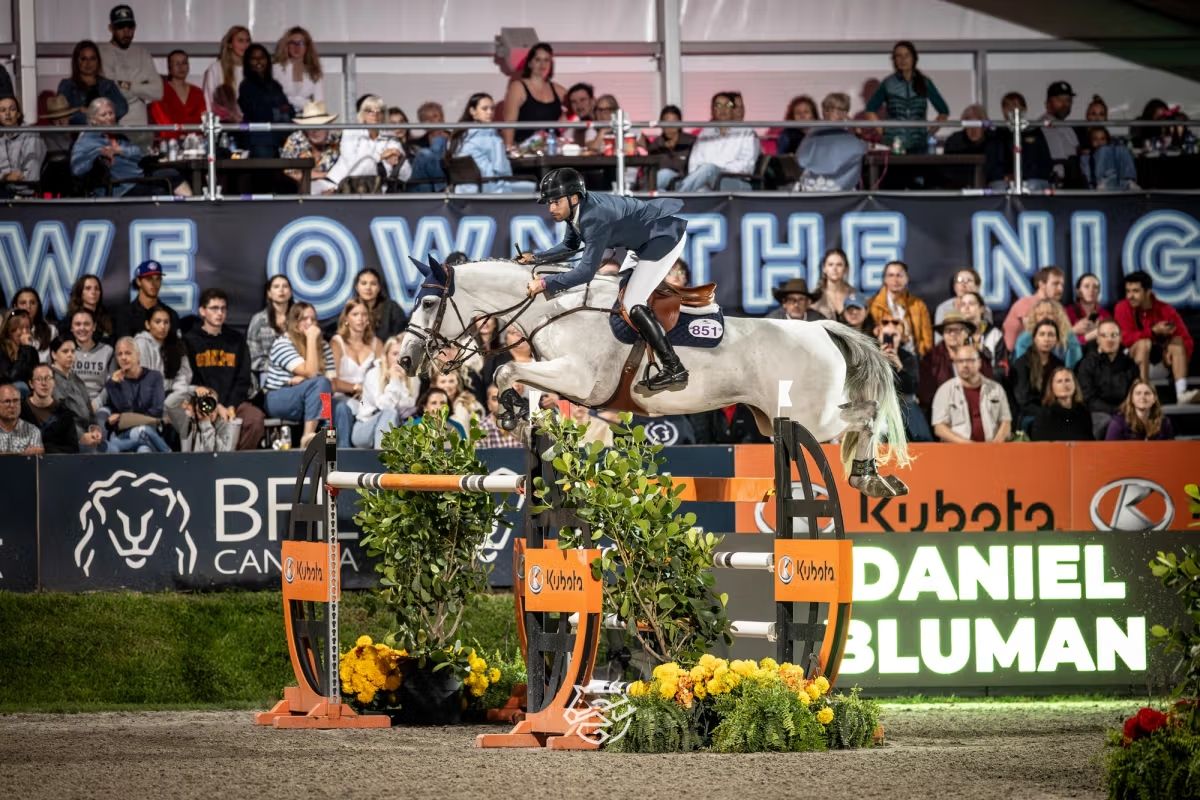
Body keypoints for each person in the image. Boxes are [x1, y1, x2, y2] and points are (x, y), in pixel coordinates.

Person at [520, 167, 690, 390]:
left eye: (555, 202)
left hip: (664, 238)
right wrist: (536, 256)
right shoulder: (576, 209)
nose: (551, 208)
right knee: (617, 292)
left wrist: (544, 283)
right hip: (643, 242)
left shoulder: (594, 217)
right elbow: (570, 246)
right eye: (549, 203)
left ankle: (674, 367)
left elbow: (585, 272)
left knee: (632, 302)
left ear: (573, 198)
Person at [183, 288, 265, 451]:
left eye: (223, 308)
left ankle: (237, 464)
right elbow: (191, 379)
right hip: (203, 402)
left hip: (233, 403)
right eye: (214, 308)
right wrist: (215, 404)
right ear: (202, 311)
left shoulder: (236, 340)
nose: (219, 313)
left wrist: (231, 405)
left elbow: (243, 379)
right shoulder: (190, 340)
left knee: (255, 419)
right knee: (191, 417)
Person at [71, 98, 191, 197]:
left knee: (173, 174)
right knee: (158, 192)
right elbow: (76, 169)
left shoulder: (117, 135)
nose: (109, 118)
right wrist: (97, 154)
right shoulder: (87, 139)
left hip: (138, 177)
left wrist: (121, 151)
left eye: (111, 113)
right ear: (94, 120)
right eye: (104, 115)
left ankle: (190, 212)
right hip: (118, 186)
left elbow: (139, 155)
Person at [1114, 270, 1196, 402]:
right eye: (1128, 291)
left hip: (1160, 364)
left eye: (1135, 291)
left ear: (1148, 292)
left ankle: (1182, 393)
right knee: (1144, 344)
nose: (1130, 296)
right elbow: (1124, 338)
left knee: (1178, 341)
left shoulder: (1165, 310)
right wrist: (1152, 332)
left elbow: (1187, 340)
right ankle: (1143, 395)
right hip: (1132, 365)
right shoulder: (1122, 307)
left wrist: (1172, 354)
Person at [261, 302, 334, 448]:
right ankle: (307, 440)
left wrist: (306, 380)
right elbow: (312, 372)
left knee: (336, 406)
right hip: (278, 397)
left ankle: (338, 453)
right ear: (294, 323)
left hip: (313, 396)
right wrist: (312, 339)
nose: (310, 323)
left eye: (313, 319)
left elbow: (331, 381)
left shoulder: (324, 345)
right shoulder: (283, 343)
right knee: (321, 384)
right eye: (304, 319)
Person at [864, 41, 949, 154]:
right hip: (894, 145)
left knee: (919, 172)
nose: (903, 59)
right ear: (894, 60)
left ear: (914, 58)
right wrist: (884, 133)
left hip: (919, 146)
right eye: (898, 56)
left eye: (907, 55)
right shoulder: (888, 83)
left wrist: (929, 134)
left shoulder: (924, 82)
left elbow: (943, 112)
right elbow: (870, 110)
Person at [97, 5, 162, 148]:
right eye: (120, 27)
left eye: (130, 27)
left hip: (141, 130)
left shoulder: (142, 53)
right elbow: (111, 90)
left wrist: (127, 85)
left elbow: (158, 91)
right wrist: (141, 86)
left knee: (142, 168)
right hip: (114, 129)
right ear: (111, 28)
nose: (126, 32)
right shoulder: (102, 52)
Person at [449, 93, 536, 194]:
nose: (490, 112)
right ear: (472, 111)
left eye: (492, 108)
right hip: (490, 187)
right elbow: (502, 170)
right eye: (485, 109)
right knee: (536, 186)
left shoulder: (460, 135)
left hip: (463, 189)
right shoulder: (489, 135)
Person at [676, 92, 759, 192]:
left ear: (733, 110)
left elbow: (746, 166)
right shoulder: (705, 134)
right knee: (701, 191)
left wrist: (716, 169)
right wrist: (708, 172)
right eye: (718, 105)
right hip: (706, 182)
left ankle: (676, 195)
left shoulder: (747, 133)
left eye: (728, 105)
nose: (723, 109)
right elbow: (694, 164)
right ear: (712, 111)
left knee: (709, 169)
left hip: (736, 182)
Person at [931, 344, 1012, 444]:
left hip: (991, 449)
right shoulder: (944, 391)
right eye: (960, 361)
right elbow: (939, 428)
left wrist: (996, 444)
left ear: (979, 362)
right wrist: (967, 445)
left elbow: (1006, 421)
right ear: (955, 364)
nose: (965, 365)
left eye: (970, 360)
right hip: (957, 451)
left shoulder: (996, 389)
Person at [329, 298, 383, 448]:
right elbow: (333, 382)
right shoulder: (337, 342)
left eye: (364, 314)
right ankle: (343, 454)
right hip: (342, 397)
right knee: (342, 409)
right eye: (355, 314)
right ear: (346, 318)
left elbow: (383, 375)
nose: (360, 318)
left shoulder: (376, 343)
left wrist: (368, 391)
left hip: (366, 399)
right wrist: (357, 387)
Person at [103, 336, 171, 453]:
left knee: (143, 449)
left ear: (138, 355)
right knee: (138, 433)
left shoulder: (154, 377)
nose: (123, 357)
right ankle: (170, 456)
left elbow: (156, 411)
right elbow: (117, 416)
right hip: (125, 436)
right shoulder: (113, 383)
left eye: (128, 353)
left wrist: (126, 418)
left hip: (150, 430)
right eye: (119, 354)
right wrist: (114, 386)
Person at [326, 95, 406, 192]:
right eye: (369, 111)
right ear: (362, 114)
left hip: (375, 189)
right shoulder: (350, 132)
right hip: (338, 184)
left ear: (384, 115)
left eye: (379, 111)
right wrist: (381, 158)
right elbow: (355, 168)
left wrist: (398, 161)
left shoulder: (391, 137)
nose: (374, 115)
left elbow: (406, 173)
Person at [351, 335, 418, 448]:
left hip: (397, 426)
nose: (399, 358)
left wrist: (401, 382)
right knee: (390, 413)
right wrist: (395, 381)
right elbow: (384, 406)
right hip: (364, 429)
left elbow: (409, 405)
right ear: (385, 356)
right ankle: (383, 462)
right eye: (394, 354)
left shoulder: (413, 378)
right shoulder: (373, 374)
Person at [918, 312, 992, 413]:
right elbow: (926, 395)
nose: (952, 334)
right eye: (948, 331)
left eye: (957, 330)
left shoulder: (976, 355)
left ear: (966, 333)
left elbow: (988, 383)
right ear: (943, 335)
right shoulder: (931, 359)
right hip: (942, 411)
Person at [1077, 319, 1139, 439]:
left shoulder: (1130, 365)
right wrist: (1116, 411)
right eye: (1104, 335)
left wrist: (1126, 409)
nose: (1109, 340)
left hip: (1125, 411)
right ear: (1098, 339)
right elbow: (1088, 399)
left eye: (1114, 335)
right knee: (1108, 422)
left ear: (1120, 338)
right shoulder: (1088, 364)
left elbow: (1134, 392)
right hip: (1097, 412)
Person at [875, 314, 932, 442]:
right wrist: (878, 363)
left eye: (894, 336)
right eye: (886, 335)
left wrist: (900, 367)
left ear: (900, 338)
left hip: (904, 409)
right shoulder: (871, 356)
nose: (890, 339)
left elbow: (912, 387)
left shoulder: (908, 358)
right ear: (878, 335)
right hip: (877, 408)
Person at [796, 92, 867, 192]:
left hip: (813, 188)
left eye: (841, 111)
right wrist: (857, 133)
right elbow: (862, 149)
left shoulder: (813, 132)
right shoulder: (815, 132)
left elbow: (801, 159)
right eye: (830, 109)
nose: (834, 113)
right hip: (840, 190)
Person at [501, 42, 565, 149]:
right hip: (525, 151)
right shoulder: (518, 87)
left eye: (546, 60)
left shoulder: (557, 89)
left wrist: (564, 123)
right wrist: (509, 151)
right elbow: (509, 124)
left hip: (551, 151)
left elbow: (580, 103)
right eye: (538, 60)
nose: (542, 64)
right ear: (530, 63)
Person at [985, 92, 1053, 192]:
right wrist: (1005, 176)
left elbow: (1045, 163)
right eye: (1008, 106)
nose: (1012, 109)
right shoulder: (996, 134)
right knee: (999, 188)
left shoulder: (1034, 132)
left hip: (1031, 179)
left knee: (1033, 185)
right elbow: (991, 165)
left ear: (1024, 109)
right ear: (1003, 111)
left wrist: (1023, 176)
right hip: (1004, 181)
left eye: (1016, 105)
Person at [867, 260, 933, 356]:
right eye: (891, 275)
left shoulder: (918, 305)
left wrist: (917, 356)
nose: (895, 280)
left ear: (906, 279)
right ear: (884, 279)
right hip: (882, 357)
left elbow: (927, 341)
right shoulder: (872, 304)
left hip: (913, 358)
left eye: (899, 275)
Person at [133, 303, 193, 410]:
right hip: (150, 399)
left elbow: (185, 374)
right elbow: (145, 380)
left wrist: (178, 392)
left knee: (204, 393)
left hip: (175, 394)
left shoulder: (176, 343)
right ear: (147, 324)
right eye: (158, 322)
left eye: (166, 322)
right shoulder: (141, 343)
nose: (162, 326)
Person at [48, 336, 104, 449]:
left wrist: (94, 428)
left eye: (73, 351)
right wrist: (80, 435)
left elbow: (89, 410)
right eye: (65, 351)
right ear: (54, 354)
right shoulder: (50, 379)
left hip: (86, 432)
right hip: (67, 438)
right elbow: (60, 416)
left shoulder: (77, 380)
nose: (70, 355)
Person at [237, 44, 291, 159]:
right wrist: (278, 109)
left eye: (262, 57)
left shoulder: (275, 85)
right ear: (247, 62)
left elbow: (289, 110)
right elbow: (257, 113)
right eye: (253, 58)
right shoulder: (246, 86)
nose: (258, 61)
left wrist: (276, 109)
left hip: (280, 137)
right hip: (258, 139)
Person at [1010, 319, 1064, 431]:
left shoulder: (1059, 364)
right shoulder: (1021, 364)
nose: (1046, 339)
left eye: (1051, 335)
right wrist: (1047, 413)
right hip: (1028, 414)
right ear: (1034, 338)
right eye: (1042, 334)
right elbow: (1023, 401)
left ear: (1056, 340)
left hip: (1052, 411)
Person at [57, 40, 127, 126]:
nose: (88, 63)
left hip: (106, 135)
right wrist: (102, 115)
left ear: (98, 61)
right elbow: (63, 116)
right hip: (78, 136)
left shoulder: (108, 84)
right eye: (83, 59)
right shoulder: (67, 85)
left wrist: (89, 111)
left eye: (92, 58)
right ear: (76, 61)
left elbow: (122, 109)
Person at [281, 100, 340, 194]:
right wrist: (324, 175)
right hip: (301, 191)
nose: (314, 131)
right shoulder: (295, 139)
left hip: (334, 187)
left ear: (328, 126)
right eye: (310, 126)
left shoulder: (337, 141)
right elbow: (288, 172)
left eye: (319, 126)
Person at [21, 364, 81, 453]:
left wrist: (45, 449)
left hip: (54, 464)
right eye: (39, 379)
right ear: (31, 384)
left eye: (48, 378)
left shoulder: (65, 413)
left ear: (54, 382)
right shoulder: (19, 409)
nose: (44, 383)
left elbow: (73, 449)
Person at [112, 259, 180, 338]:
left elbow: (177, 346)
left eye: (157, 279)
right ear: (138, 281)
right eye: (149, 279)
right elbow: (124, 347)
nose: (154, 283)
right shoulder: (124, 315)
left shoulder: (171, 314)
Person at [1002, 265, 1065, 352]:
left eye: (1062, 285)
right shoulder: (1026, 303)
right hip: (1013, 356)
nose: (1060, 289)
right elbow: (1036, 334)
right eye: (1055, 284)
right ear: (1042, 284)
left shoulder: (1055, 307)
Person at [247, 274, 293, 387]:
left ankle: (327, 405)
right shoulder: (259, 320)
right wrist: (282, 368)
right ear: (269, 293)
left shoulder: (300, 318)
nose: (281, 290)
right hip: (270, 376)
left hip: (301, 373)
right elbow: (253, 357)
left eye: (285, 286)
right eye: (276, 287)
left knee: (322, 385)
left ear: (291, 292)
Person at [148, 50, 206, 139]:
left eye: (184, 63)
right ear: (169, 68)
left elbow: (203, 119)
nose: (181, 67)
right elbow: (161, 120)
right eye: (177, 64)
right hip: (170, 141)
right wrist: (178, 136)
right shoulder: (161, 91)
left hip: (196, 142)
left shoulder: (197, 92)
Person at [1013, 298, 1083, 369]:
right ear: (1035, 318)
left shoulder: (1068, 335)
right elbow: (1022, 366)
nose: (1045, 317)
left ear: (1057, 316)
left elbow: (1075, 361)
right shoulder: (1024, 339)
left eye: (1050, 314)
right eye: (1041, 314)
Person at [69, 308, 114, 418]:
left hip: (99, 406)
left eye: (87, 324)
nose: (82, 328)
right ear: (72, 328)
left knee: (100, 423)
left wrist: (95, 404)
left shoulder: (107, 351)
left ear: (94, 327)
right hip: (71, 405)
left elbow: (112, 384)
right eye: (78, 324)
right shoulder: (64, 351)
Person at [0, 95, 46, 198]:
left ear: (18, 114)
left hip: (23, 195)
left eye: (12, 109)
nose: (7, 114)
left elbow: (31, 176)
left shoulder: (31, 134)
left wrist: (8, 180)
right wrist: (6, 177)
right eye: (2, 110)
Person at [203, 25, 251, 122]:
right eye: (240, 41)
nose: (245, 45)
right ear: (230, 44)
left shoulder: (253, 69)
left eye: (247, 41)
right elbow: (208, 99)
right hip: (225, 123)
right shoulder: (216, 68)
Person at [1030, 367, 1092, 441]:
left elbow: (1090, 442)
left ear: (1075, 384)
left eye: (1067, 380)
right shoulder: (1044, 415)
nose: (1064, 385)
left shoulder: (1083, 412)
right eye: (1059, 381)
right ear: (1052, 386)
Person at [957, 290, 1007, 380]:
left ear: (982, 309)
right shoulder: (956, 335)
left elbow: (1002, 370)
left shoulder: (995, 334)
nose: (966, 307)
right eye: (963, 305)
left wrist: (981, 350)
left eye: (971, 304)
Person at [643, 104, 695, 192]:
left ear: (679, 123)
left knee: (665, 174)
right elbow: (650, 172)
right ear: (661, 124)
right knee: (660, 191)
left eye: (674, 121)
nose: (670, 126)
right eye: (666, 121)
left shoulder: (690, 141)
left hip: (684, 182)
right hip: (663, 186)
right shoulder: (656, 144)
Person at [1041, 81, 1083, 184]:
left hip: (1073, 176)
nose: (1064, 104)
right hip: (1058, 179)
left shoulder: (1067, 126)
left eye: (1068, 100)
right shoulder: (1043, 125)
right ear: (1048, 103)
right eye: (1059, 100)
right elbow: (1057, 156)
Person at [272, 26, 322, 112]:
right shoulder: (276, 69)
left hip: (306, 117)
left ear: (307, 47)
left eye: (301, 43)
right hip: (282, 116)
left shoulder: (314, 70)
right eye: (292, 43)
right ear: (286, 46)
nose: (297, 47)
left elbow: (319, 101)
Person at [1105, 380, 1174, 441]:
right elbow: (1109, 452)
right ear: (1132, 399)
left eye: (1147, 393)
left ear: (1154, 399)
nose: (1143, 397)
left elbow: (1171, 451)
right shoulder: (1118, 423)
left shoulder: (1164, 423)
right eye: (1138, 393)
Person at [351, 268, 407, 341]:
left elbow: (402, 335)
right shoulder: (350, 309)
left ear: (379, 287)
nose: (368, 287)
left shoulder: (392, 308)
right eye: (364, 283)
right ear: (357, 287)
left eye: (373, 284)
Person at [1081, 126, 1137, 191]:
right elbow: (1087, 176)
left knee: (1121, 148)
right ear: (1090, 141)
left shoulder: (1111, 151)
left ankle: (1129, 181)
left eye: (1102, 139)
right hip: (1101, 184)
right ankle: (1103, 180)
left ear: (1107, 140)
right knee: (1103, 150)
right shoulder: (1087, 156)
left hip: (1119, 183)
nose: (1099, 142)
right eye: (1095, 139)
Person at [10, 287, 57, 361]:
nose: (28, 307)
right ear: (15, 306)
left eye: (32, 303)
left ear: (38, 306)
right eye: (23, 303)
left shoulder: (51, 330)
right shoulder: (9, 330)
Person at [810, 248, 858, 320]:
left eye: (839, 265)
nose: (834, 268)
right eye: (830, 264)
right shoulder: (815, 296)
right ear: (824, 268)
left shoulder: (855, 295)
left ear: (845, 269)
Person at [0, 309, 38, 392]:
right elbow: (12, 378)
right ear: (10, 329)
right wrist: (25, 349)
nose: (25, 332)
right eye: (20, 328)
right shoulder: (2, 348)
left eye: (27, 327)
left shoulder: (31, 351)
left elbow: (35, 378)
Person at [478, 383, 525, 449]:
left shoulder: (522, 426)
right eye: (495, 399)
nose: (500, 403)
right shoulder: (481, 428)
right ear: (488, 405)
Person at [0, 383, 42, 454]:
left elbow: (35, 462)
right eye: (7, 401)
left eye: (16, 401)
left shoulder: (33, 431)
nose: (12, 405)